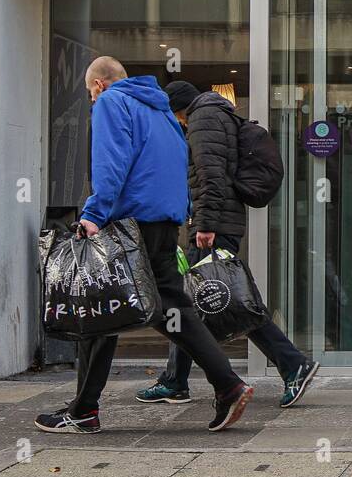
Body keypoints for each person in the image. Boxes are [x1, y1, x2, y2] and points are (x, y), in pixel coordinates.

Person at [35, 58, 254, 434]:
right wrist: (180, 213)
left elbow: (111, 161)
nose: (91, 100)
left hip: (129, 222)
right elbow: (179, 164)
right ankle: (228, 385)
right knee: (172, 308)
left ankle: (85, 410)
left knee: (98, 304)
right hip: (164, 223)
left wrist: (94, 213)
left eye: (90, 92)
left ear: (100, 85)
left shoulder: (111, 103)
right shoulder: (161, 110)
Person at [135, 80, 320, 409]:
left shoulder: (203, 119)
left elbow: (211, 174)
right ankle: (175, 380)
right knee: (195, 299)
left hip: (214, 226)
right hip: (218, 222)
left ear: (177, 108)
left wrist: (204, 225)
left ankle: (293, 364)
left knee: (227, 301)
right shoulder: (214, 114)